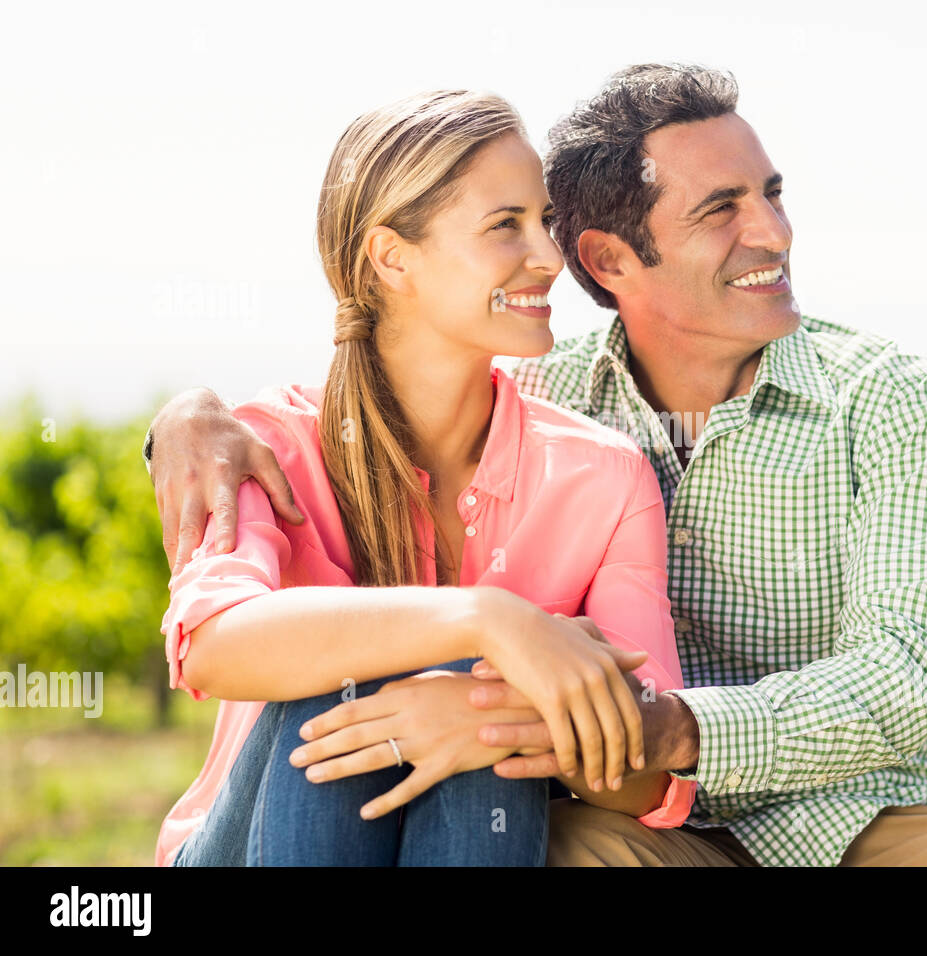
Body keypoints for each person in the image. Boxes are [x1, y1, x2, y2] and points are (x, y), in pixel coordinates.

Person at [146, 64, 927, 867]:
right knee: (385, 688)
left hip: (847, 823)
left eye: (773, 194)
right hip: (608, 811)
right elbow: (231, 614)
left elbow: (905, 681)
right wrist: (184, 420)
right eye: (722, 208)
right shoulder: (535, 386)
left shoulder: (886, 399)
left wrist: (632, 723)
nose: (774, 232)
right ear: (612, 257)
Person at [152, 88, 693, 867]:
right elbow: (214, 644)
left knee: (483, 733)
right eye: (506, 225)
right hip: (244, 846)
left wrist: (488, 710)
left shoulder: (602, 476)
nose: (549, 256)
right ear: (392, 257)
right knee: (345, 671)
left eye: (544, 221)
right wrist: (491, 623)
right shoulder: (270, 446)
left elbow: (649, 775)